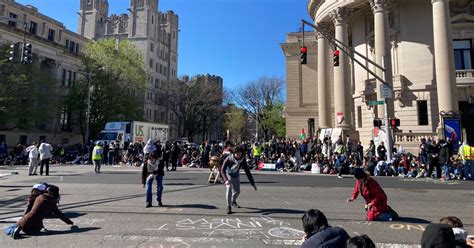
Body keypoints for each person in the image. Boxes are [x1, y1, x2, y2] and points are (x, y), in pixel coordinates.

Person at [220, 145, 257, 214]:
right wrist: (225, 180)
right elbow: (222, 170)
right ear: (234, 153)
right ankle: (229, 207)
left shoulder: (242, 160)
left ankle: (233, 201)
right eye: (237, 154)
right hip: (229, 174)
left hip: (236, 175)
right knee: (229, 188)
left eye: (240, 154)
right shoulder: (229, 158)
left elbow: (247, 172)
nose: (238, 156)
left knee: (237, 192)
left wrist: (253, 184)